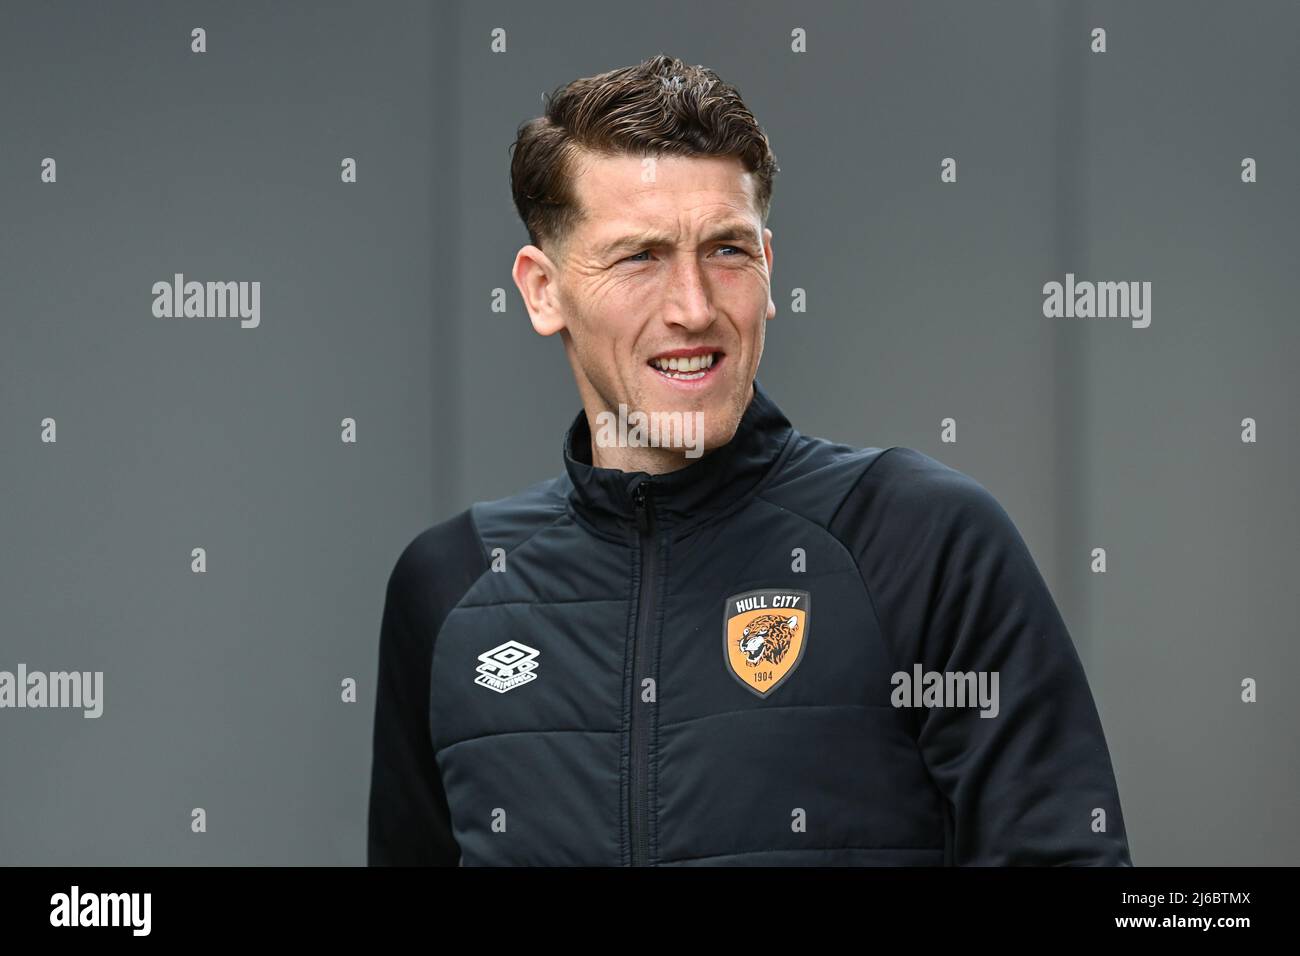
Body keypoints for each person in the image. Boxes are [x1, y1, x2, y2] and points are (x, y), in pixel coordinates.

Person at [367, 53, 1131, 866]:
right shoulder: (450, 586)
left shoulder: (922, 541)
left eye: (728, 251)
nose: (693, 307)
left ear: (768, 268)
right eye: (640, 257)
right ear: (543, 290)